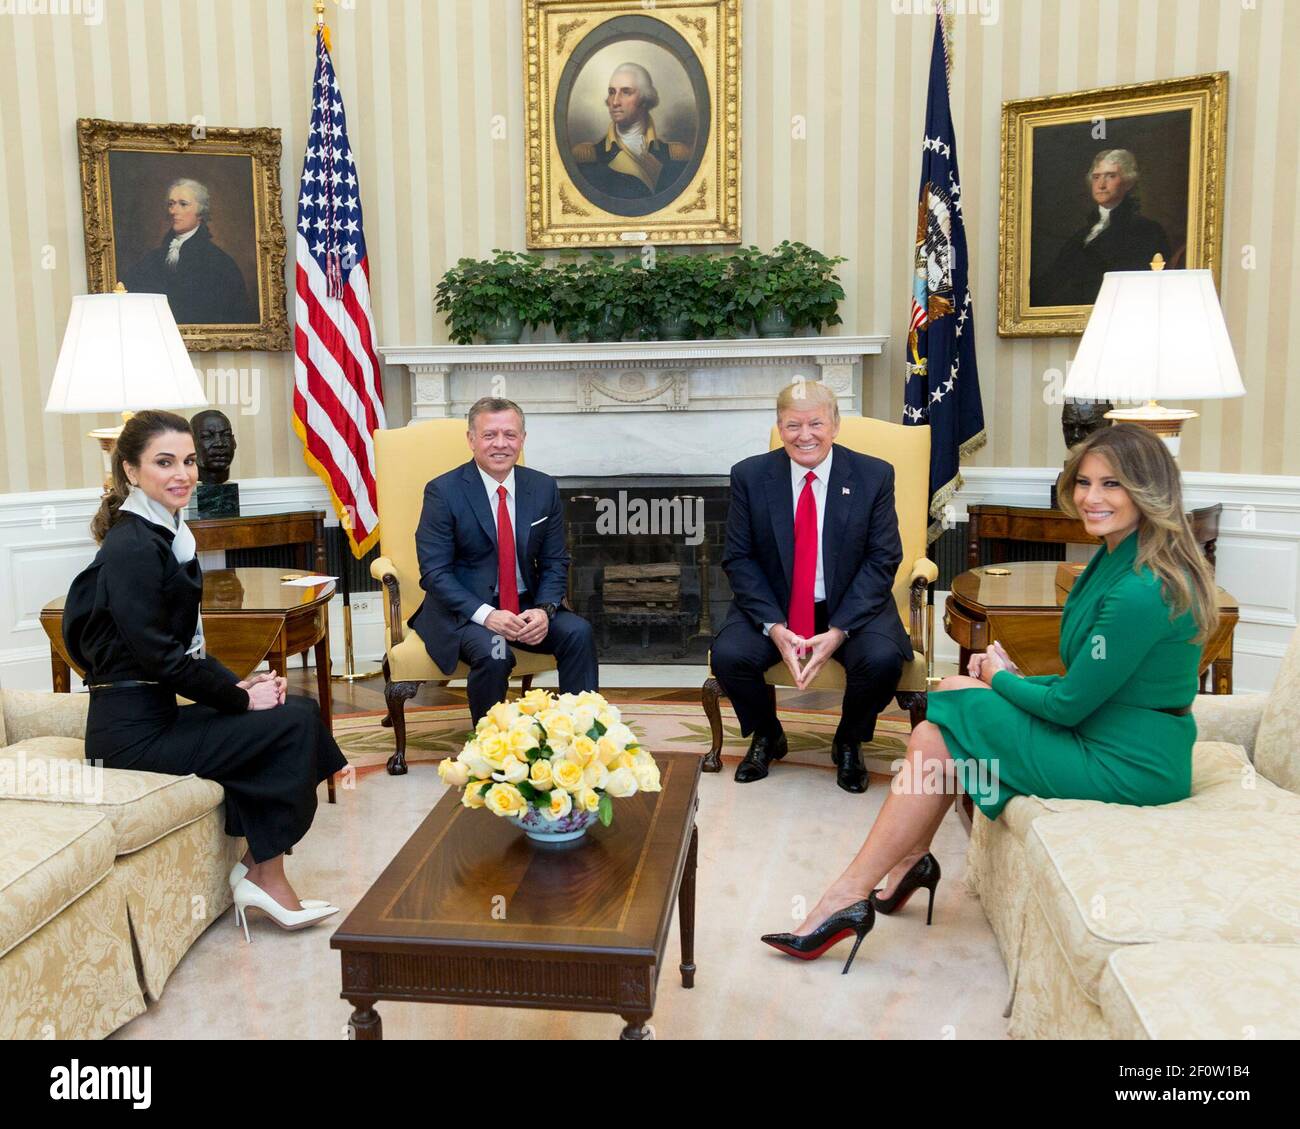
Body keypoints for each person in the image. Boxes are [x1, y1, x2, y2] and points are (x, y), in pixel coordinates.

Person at [760, 423, 1217, 972]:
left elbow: (1071, 703)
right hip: (1107, 730)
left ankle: (853, 893)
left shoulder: (1143, 587)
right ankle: (896, 869)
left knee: (951, 705)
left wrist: (999, 677)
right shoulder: (1114, 556)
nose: (1091, 498)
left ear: (1148, 491)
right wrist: (995, 683)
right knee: (939, 723)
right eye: (1085, 483)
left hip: (1128, 762)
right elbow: (1093, 688)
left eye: (1112, 485)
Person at [63, 410, 345, 941]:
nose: (183, 474)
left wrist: (241, 686)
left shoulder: (169, 535)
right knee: (289, 726)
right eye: (164, 462)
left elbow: (184, 650)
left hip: (155, 717)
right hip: (127, 738)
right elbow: (160, 660)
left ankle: (261, 871)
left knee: (297, 709)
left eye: (188, 461)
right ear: (130, 469)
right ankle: (268, 877)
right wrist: (240, 703)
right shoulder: (131, 547)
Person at [711, 381, 911, 793]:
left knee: (883, 659)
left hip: (851, 604)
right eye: (792, 425)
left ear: (835, 424)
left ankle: (849, 739)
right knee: (730, 656)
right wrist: (773, 625)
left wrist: (839, 630)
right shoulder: (749, 475)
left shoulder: (873, 475)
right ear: (779, 427)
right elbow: (739, 558)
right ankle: (768, 734)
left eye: (816, 423)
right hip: (777, 604)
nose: (805, 436)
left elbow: (882, 559)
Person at [409, 397, 598, 723]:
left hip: (527, 605)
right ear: (471, 440)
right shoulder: (443, 491)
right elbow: (434, 573)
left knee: (579, 632)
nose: (500, 444)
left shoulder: (542, 488)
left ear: (522, 439)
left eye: (510, 435)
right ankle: (489, 747)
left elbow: (555, 560)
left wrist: (545, 609)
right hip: (466, 613)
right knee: (496, 652)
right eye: (489, 435)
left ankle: (579, 735)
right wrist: (487, 615)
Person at [1031, 149, 1172, 307]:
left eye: (1111, 176)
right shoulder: (1080, 235)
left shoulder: (1147, 231)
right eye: (1096, 177)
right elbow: (1052, 281)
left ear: (1128, 182)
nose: (1101, 185)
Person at [119, 178, 256, 324]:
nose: (173, 211)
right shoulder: (153, 259)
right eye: (171, 204)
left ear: (201, 212)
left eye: (183, 204)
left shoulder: (220, 263)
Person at [572, 63, 691, 201]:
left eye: (626, 92)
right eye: (612, 92)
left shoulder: (675, 155)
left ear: (644, 99)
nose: (615, 102)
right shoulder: (588, 158)